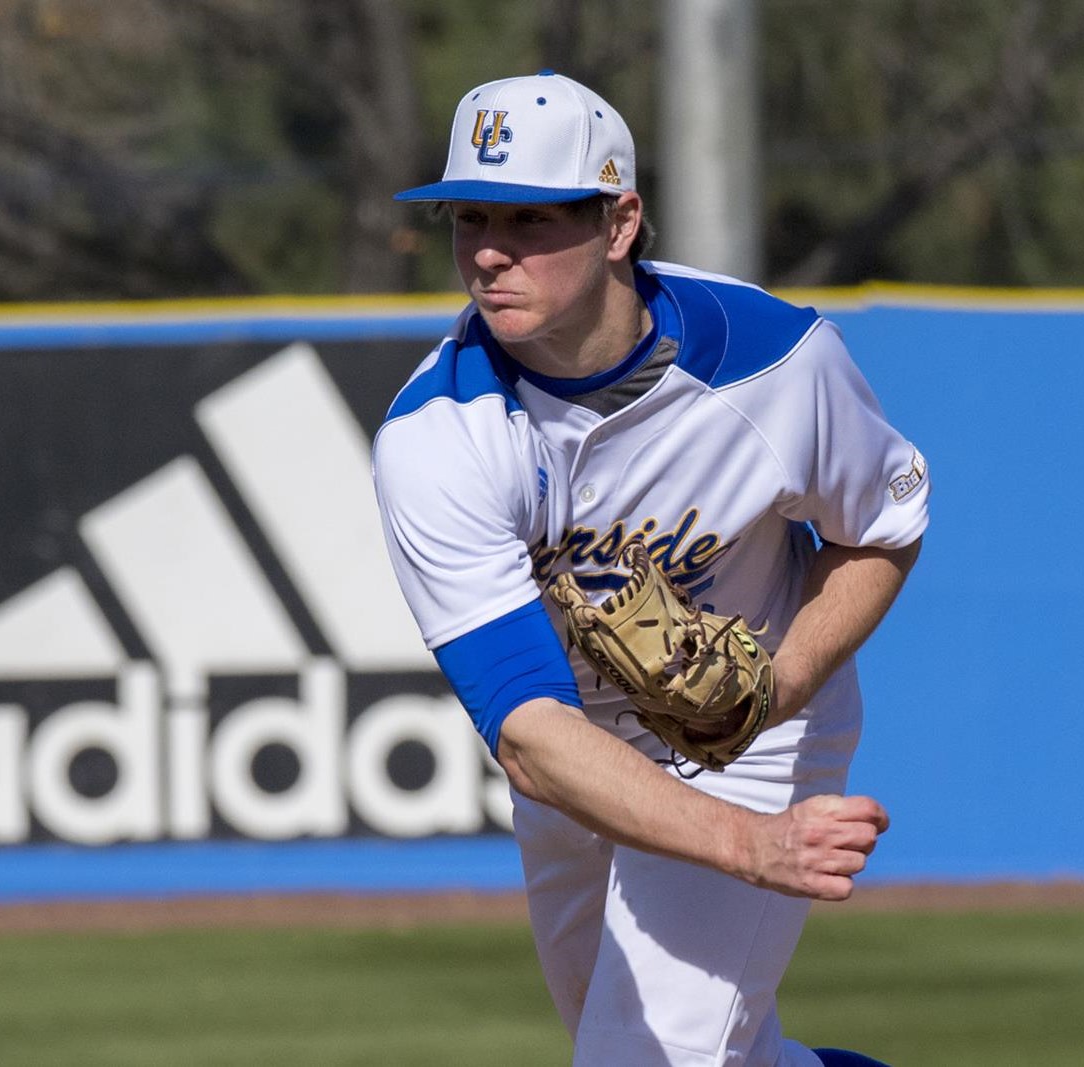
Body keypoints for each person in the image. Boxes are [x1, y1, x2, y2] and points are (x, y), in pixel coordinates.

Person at [374, 70, 928, 1067]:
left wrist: (773, 690)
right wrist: (745, 847)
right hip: (577, 762)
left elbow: (879, 529)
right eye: (468, 218)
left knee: (632, 1060)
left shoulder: (773, 360)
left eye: (530, 219)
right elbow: (531, 734)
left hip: (753, 730)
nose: (489, 252)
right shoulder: (436, 437)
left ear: (619, 220)